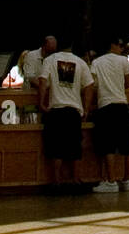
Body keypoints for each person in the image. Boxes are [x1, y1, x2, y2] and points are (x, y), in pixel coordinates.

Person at [36, 40, 95, 190]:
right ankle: (76, 180)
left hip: (55, 109)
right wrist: (86, 108)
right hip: (73, 111)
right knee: (75, 147)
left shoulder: (50, 60)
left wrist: (42, 103)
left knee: (56, 147)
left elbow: (42, 82)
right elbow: (89, 85)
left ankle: (56, 181)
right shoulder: (80, 62)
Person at [90, 39, 129, 193]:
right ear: (113, 45)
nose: (122, 49)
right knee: (128, 146)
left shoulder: (96, 62)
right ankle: (127, 180)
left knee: (108, 146)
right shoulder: (124, 61)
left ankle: (111, 181)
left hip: (105, 106)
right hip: (122, 104)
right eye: (121, 45)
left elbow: (93, 85)